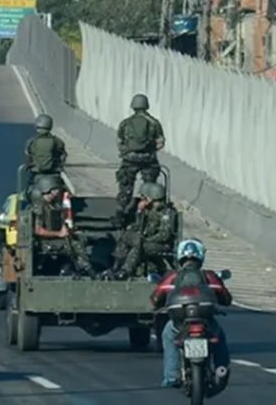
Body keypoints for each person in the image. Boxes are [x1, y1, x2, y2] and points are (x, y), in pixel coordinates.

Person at [149, 238, 232, 390]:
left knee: (168, 335)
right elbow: (226, 298)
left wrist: (159, 303)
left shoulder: (172, 276)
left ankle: (171, 375)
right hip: (206, 320)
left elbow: (155, 298)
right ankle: (221, 368)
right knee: (219, 337)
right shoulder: (209, 276)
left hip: (180, 323)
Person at [109, 181, 179, 279]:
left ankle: (126, 270)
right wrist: (139, 212)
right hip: (146, 239)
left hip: (161, 245)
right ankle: (116, 265)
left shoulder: (166, 213)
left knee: (139, 244)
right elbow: (139, 226)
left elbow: (164, 235)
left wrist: (146, 240)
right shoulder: (149, 210)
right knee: (126, 236)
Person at [115, 93, 165, 226]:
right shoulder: (154, 123)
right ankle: (148, 213)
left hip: (129, 160)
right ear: (146, 105)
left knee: (125, 187)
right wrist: (150, 151)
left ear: (133, 106)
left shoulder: (125, 123)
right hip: (148, 160)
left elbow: (120, 141)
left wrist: (127, 152)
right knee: (149, 187)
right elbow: (160, 142)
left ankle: (120, 214)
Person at [29, 174, 94, 277]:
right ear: (48, 189)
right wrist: (59, 234)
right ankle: (87, 270)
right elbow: (38, 230)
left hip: (53, 239)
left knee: (79, 238)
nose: (57, 191)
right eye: (55, 189)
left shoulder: (52, 205)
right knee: (74, 244)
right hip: (44, 242)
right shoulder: (39, 208)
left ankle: (79, 268)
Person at [24, 114, 67, 187]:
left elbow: (28, 156)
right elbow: (63, 156)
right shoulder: (57, 141)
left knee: (28, 190)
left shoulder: (31, 142)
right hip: (54, 172)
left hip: (36, 173)